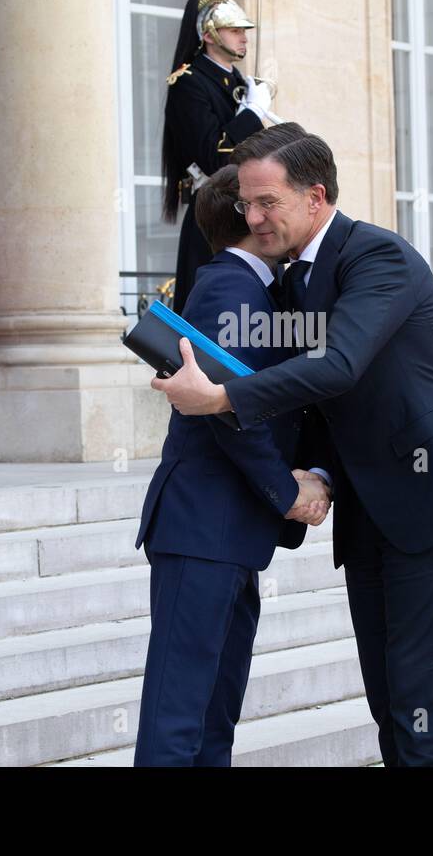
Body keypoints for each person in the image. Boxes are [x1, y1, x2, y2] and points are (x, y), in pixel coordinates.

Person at [151, 123, 433, 766]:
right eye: (245, 205)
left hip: (431, 496)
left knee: (422, 698)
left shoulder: (378, 257)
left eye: (267, 203)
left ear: (316, 197)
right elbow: (317, 404)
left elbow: (339, 365)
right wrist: (312, 475)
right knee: (387, 695)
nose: (252, 217)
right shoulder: (291, 280)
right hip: (366, 503)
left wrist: (222, 399)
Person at [133, 164, 331, 766]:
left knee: (214, 717)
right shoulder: (228, 286)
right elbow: (226, 411)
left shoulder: (254, 287)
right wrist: (286, 491)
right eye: (263, 204)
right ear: (247, 219)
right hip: (204, 528)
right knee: (178, 720)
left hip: (228, 532)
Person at [161, 0, 273, 313]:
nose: (243, 38)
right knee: (207, 306)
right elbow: (214, 156)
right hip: (213, 208)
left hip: (245, 206)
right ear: (209, 33)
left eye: (244, 30)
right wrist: (253, 113)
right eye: (234, 29)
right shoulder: (189, 83)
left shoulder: (235, 82)